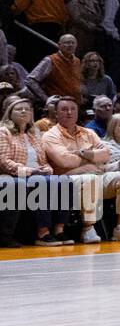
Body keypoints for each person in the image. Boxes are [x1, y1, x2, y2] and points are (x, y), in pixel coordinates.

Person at [43, 96, 120, 242]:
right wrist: (92, 159)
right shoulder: (50, 135)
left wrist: (84, 154)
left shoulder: (88, 133)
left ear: (78, 112)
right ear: (56, 114)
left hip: (98, 175)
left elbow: (106, 154)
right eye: (64, 109)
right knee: (90, 179)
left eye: (73, 109)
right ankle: (88, 228)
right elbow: (64, 161)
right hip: (68, 180)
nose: (69, 112)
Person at [0, 95, 74, 246]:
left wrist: (46, 170)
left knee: (65, 181)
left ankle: (59, 229)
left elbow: (44, 161)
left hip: (37, 173)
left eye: (27, 109)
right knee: (42, 181)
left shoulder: (34, 134)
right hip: (16, 174)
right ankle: (43, 233)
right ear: (10, 113)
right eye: (19, 109)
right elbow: (4, 161)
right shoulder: (3, 132)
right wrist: (31, 171)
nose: (23, 112)